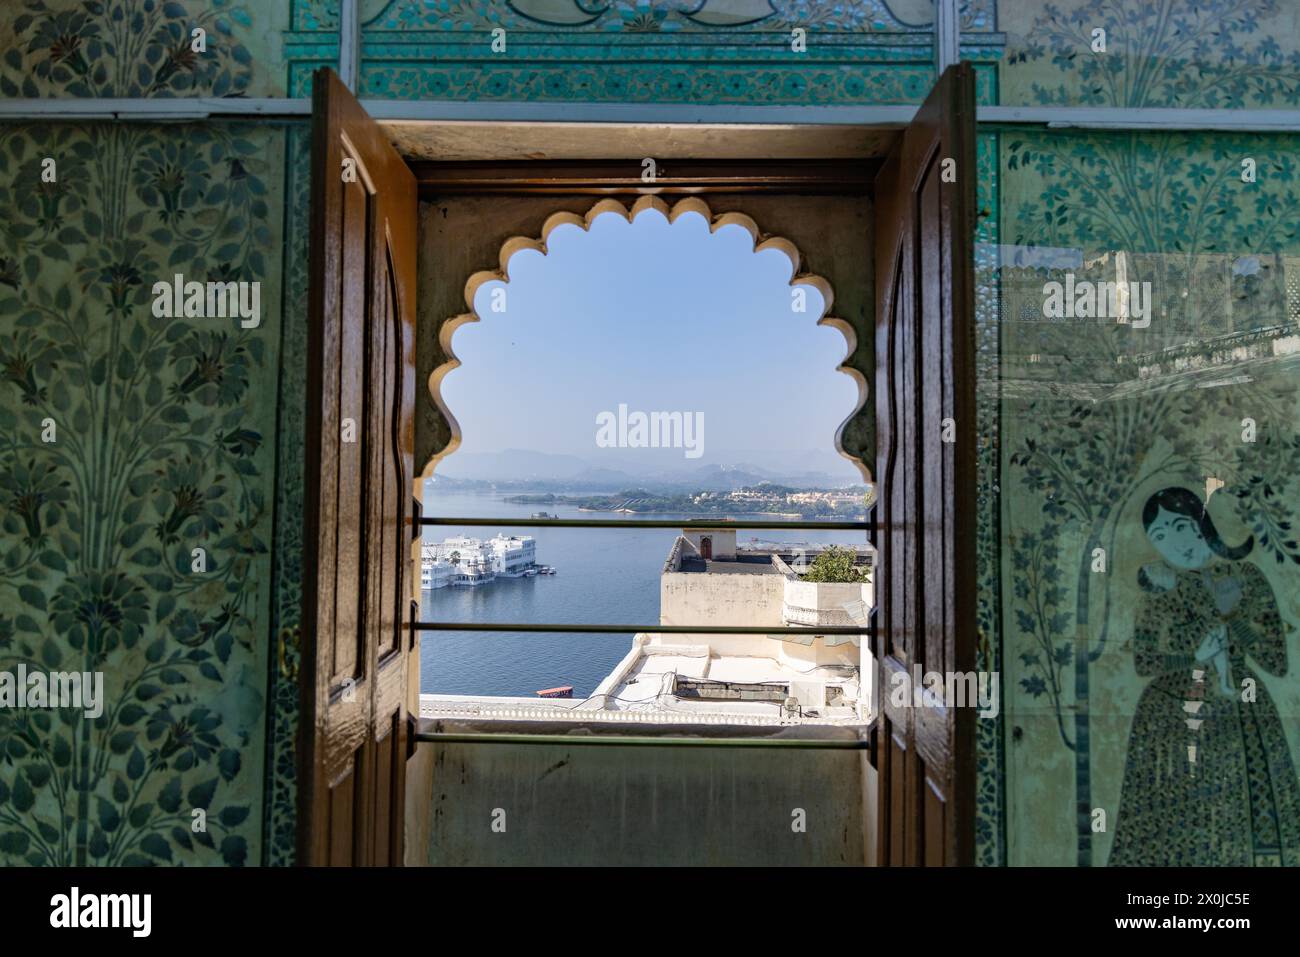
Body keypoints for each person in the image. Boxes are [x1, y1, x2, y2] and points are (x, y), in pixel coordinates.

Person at [1109, 487, 1300, 865]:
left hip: (1237, 710)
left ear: (1202, 525)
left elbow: (1276, 661)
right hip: (1168, 717)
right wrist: (1193, 657)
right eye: (1160, 537)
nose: (1175, 544)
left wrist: (1231, 618)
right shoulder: (1158, 587)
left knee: (1237, 822)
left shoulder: (1244, 577)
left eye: (1182, 527)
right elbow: (1144, 663)